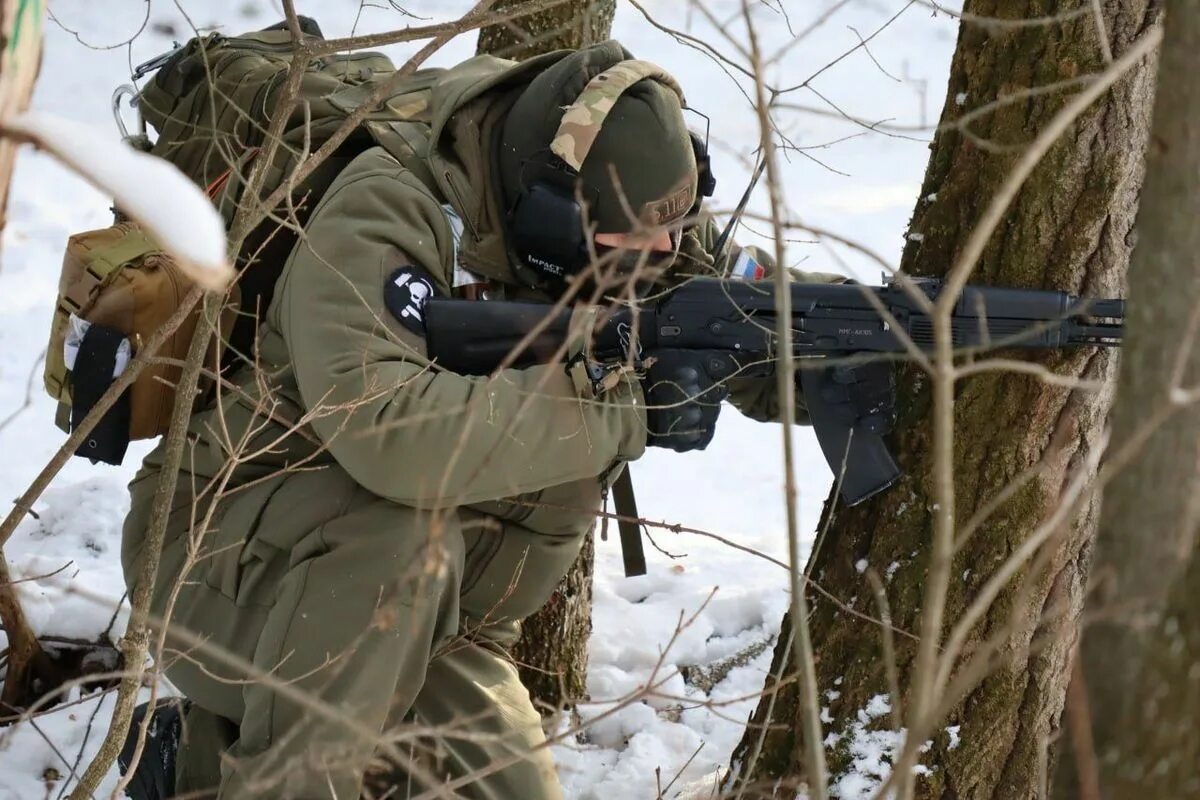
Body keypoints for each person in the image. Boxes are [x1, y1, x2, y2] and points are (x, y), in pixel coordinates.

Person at [119, 39, 847, 800]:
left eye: (677, 226)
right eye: (638, 242)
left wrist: (893, 342)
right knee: (394, 545)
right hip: (217, 561)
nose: (665, 252)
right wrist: (618, 406)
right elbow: (385, 429)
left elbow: (745, 317)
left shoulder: (634, 211)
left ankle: (195, 762)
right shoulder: (386, 208)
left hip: (427, 620)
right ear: (551, 214)